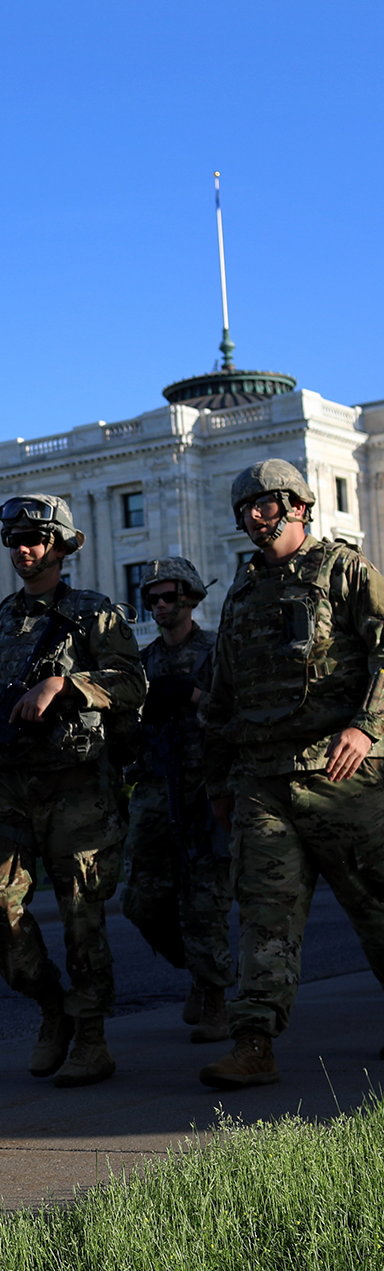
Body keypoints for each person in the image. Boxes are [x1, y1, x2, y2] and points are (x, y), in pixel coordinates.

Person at [0, 495, 145, 1087]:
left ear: (60, 545)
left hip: (77, 786)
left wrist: (65, 682)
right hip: (8, 786)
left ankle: (91, 1037)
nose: (23, 550)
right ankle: (51, 1005)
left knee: (83, 915)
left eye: (34, 539)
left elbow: (132, 682)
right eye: (14, 541)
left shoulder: (94, 613)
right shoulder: (1, 619)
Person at [198, 460, 384, 1088]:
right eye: (245, 507)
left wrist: (367, 726)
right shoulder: (242, 594)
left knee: (377, 908)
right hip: (263, 781)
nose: (254, 515)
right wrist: (219, 781)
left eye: (266, 504)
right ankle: (254, 1044)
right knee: (263, 914)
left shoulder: (345, 570)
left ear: (298, 505)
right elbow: (222, 696)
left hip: (342, 777)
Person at [120, 557, 235, 1042]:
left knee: (202, 900)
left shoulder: (215, 652)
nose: (162, 606)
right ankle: (204, 972)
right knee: (141, 901)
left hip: (207, 791)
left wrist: (194, 697)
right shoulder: (143, 663)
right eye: (153, 599)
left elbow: (236, 715)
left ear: (191, 599)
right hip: (154, 789)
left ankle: (214, 996)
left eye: (171, 597)